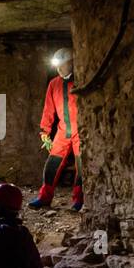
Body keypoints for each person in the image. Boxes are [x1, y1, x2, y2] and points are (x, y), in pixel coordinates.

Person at [28, 47, 83, 212]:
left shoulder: (80, 81)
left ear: (71, 63)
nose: (59, 69)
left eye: (62, 65)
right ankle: (44, 198)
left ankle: (79, 200)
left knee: (81, 167)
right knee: (52, 165)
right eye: (57, 65)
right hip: (63, 130)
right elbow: (48, 109)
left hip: (80, 130)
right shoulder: (54, 84)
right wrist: (44, 131)